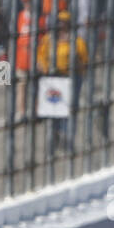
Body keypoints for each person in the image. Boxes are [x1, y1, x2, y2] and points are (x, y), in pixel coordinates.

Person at [37, 11, 88, 151]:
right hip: (54, 78)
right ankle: (53, 137)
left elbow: (84, 60)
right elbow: (40, 56)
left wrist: (77, 66)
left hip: (71, 78)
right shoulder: (49, 39)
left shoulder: (77, 41)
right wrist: (45, 69)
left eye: (65, 22)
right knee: (53, 108)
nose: (62, 25)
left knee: (69, 108)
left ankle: (67, 138)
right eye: (60, 22)